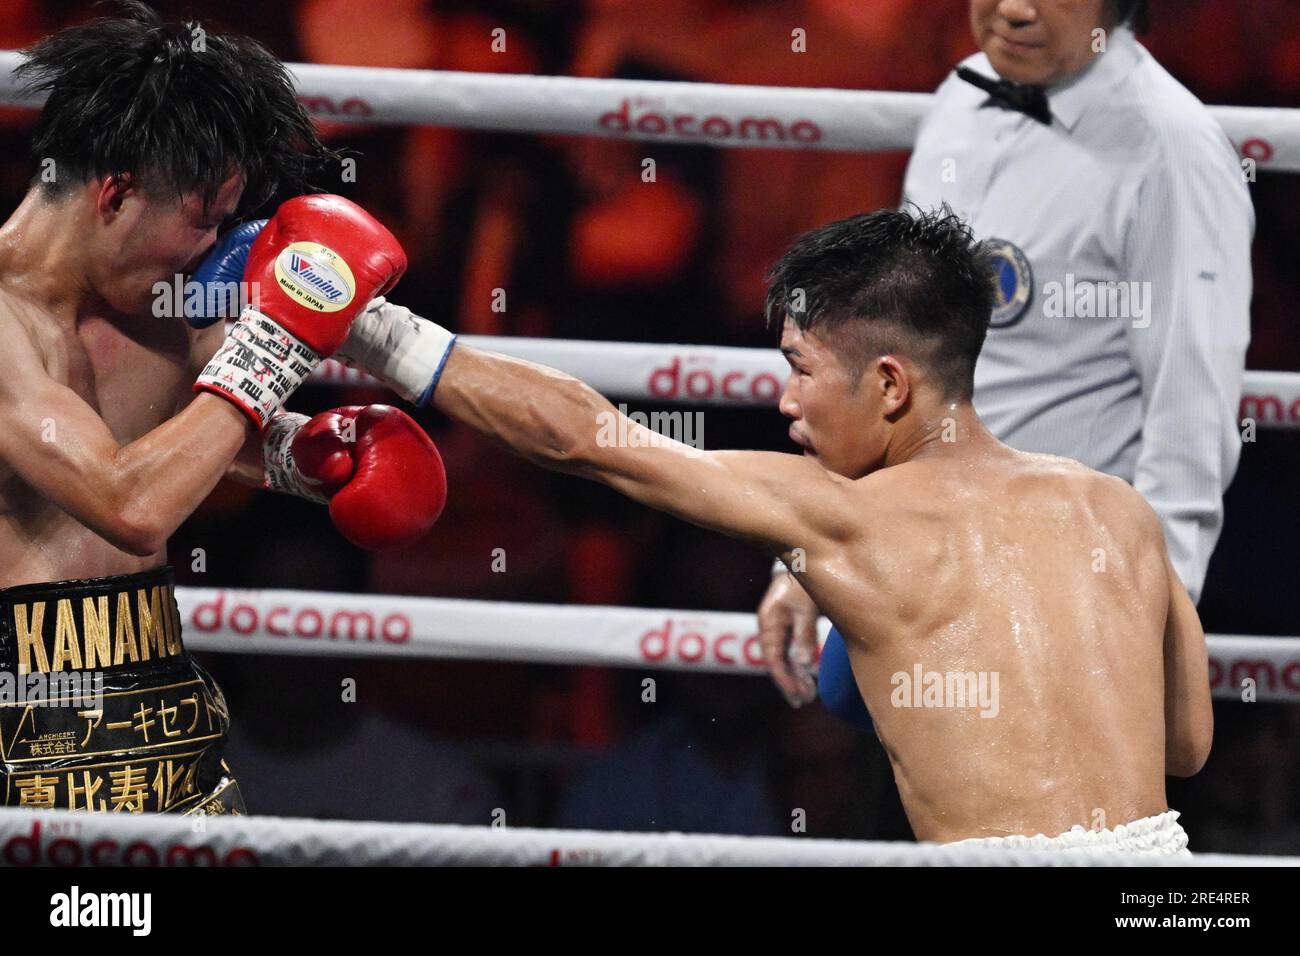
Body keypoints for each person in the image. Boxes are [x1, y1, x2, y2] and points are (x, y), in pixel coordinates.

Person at [336, 206, 1211, 852]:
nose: (785, 403)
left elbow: (586, 439)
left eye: (799, 370)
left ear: (891, 386)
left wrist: (370, 330)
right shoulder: (1118, 509)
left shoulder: (843, 520)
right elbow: (1188, 744)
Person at [0, 5, 440, 815]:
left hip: (163, 714)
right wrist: (275, 340)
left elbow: (186, 440)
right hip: (23, 723)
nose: (212, 249)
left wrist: (295, 455)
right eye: (202, 220)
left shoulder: (154, 301)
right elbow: (128, 503)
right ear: (116, 193)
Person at [759, 0, 1254, 718]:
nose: (1013, 7)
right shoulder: (961, 97)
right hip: (917, 561)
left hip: (1057, 589)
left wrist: (1142, 633)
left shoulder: (1172, 151)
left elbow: (1191, 423)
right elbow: (886, 350)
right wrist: (810, 553)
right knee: (863, 743)